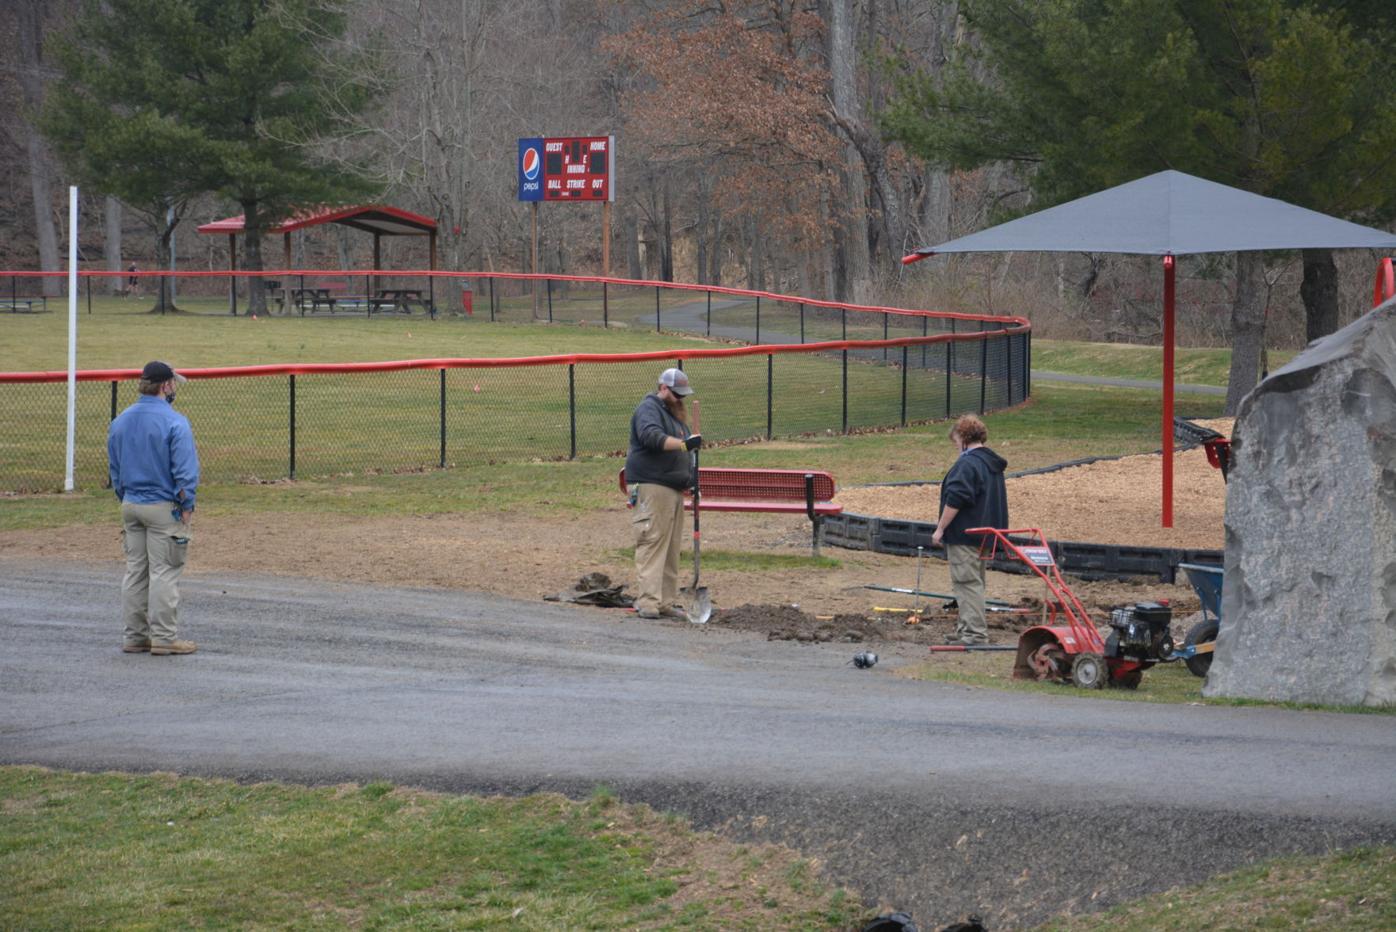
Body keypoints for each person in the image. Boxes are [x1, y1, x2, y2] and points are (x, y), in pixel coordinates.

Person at [107, 361, 200, 655]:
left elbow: (115, 468)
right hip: (163, 506)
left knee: (136, 571)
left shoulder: (120, 420)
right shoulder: (175, 422)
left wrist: (125, 496)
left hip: (131, 503)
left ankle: (135, 636)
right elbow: (185, 471)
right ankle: (164, 637)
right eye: (173, 383)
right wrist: (187, 505)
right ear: (165, 386)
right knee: (164, 571)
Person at [624, 368, 702, 619]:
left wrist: (692, 480)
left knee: (671, 548)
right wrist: (682, 444)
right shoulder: (649, 409)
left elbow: (686, 453)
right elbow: (651, 437)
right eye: (676, 394)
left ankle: (665, 602)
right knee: (652, 542)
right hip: (652, 486)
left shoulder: (675, 416)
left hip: (674, 489)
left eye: (683, 395)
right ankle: (648, 601)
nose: (680, 400)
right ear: (663, 388)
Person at [930, 414, 1008, 646]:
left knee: (966, 583)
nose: (955, 447)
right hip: (985, 534)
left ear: (964, 438)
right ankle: (966, 629)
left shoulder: (967, 463)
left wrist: (940, 529)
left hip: (965, 533)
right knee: (975, 582)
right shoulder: (991, 463)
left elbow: (956, 498)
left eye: (955, 442)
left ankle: (974, 634)